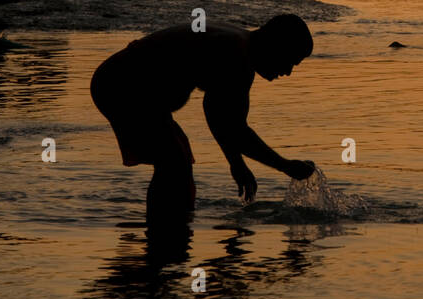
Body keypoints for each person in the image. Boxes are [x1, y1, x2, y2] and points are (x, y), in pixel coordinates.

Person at [90, 14, 317, 227]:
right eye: (290, 61)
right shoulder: (236, 55)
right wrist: (284, 165)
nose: (287, 72)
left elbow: (219, 116)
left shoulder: (241, 45)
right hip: (121, 86)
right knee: (172, 161)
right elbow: (235, 129)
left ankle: (169, 232)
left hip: (133, 89)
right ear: (275, 45)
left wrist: (236, 162)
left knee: (176, 160)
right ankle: (163, 234)